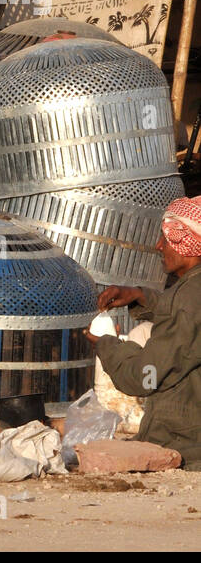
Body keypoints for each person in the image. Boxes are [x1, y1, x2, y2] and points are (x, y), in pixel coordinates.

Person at [90, 195, 201, 466]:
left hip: (184, 443)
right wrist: (139, 296)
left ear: (185, 242)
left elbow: (144, 377)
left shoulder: (185, 299)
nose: (158, 246)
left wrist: (107, 345)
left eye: (165, 238)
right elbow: (184, 317)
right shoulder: (189, 293)